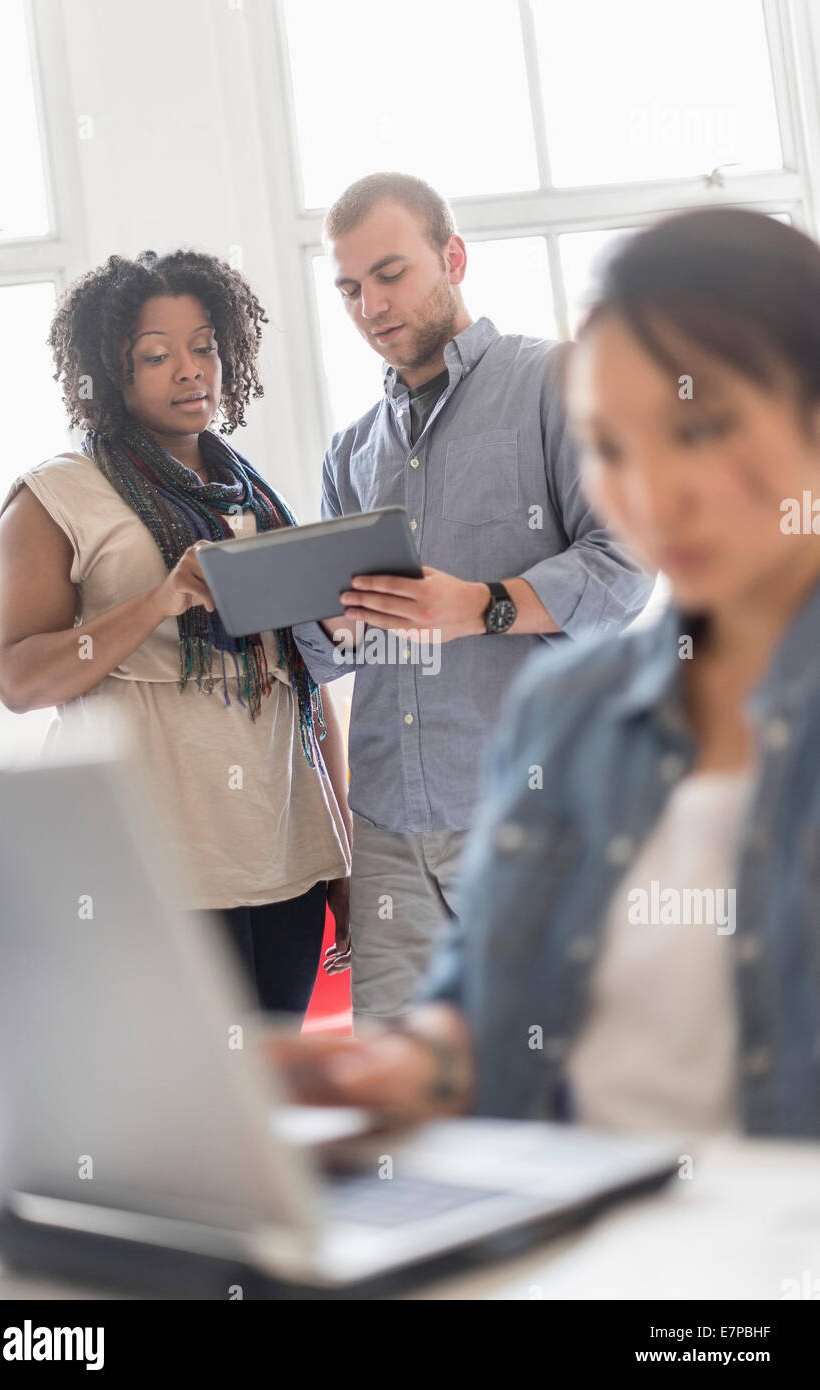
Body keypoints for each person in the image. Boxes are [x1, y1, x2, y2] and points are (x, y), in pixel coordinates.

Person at [272, 206, 820, 1137]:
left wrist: (484, 604)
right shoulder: (568, 717)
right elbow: (488, 1016)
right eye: (611, 449)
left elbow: (606, 576)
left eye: (700, 427)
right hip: (597, 1240)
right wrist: (378, 1071)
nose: (653, 494)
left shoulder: (535, 382)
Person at [292, 172, 652, 1023]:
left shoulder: (555, 382)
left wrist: (483, 604)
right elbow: (324, 657)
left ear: (451, 257)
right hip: (387, 830)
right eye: (348, 289)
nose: (370, 306)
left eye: (390, 274)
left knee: (555, 1088)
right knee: (401, 1100)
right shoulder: (350, 453)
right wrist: (324, 619)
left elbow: (627, 567)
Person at [0, 250, 351, 1017]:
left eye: (205, 347)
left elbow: (303, 689)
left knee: (278, 1109)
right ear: (107, 372)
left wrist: (342, 856)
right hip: (154, 868)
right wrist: (160, 601)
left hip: (284, 855)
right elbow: (19, 682)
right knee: (183, 1124)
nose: (190, 371)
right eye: (155, 356)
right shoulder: (55, 497)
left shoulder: (255, 495)